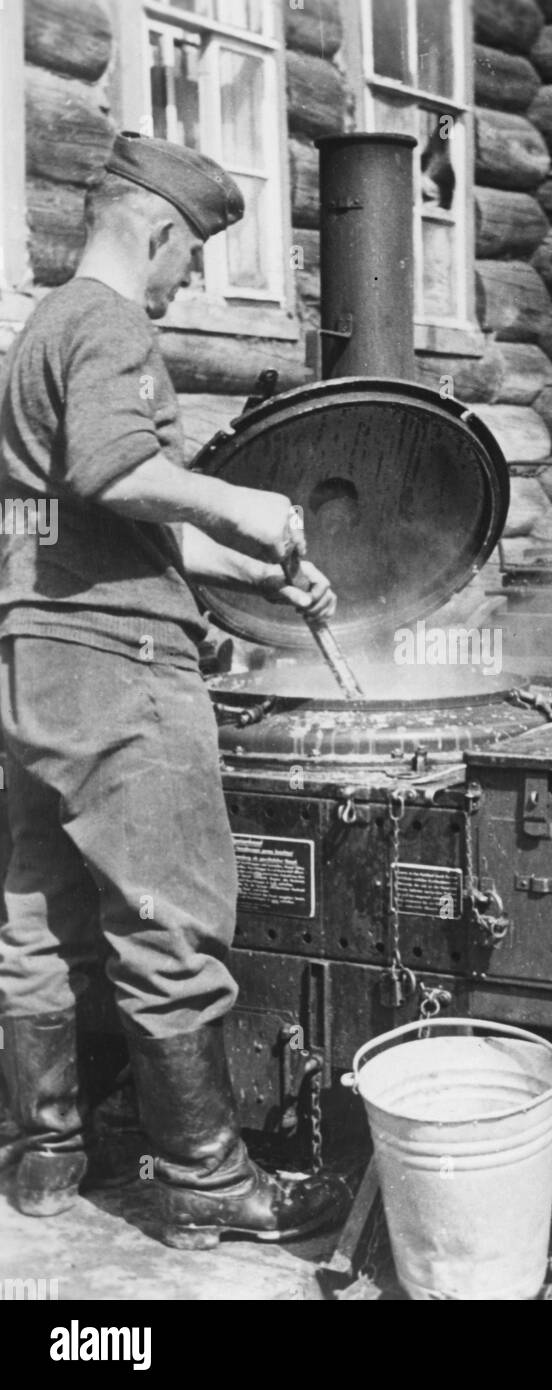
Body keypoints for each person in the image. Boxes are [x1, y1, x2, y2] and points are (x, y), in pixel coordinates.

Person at [0, 131, 349, 1249]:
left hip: (35, 655)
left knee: (40, 917)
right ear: (153, 231)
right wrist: (240, 505)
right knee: (170, 922)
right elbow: (115, 469)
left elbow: (97, 514)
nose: (184, 279)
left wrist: (257, 569)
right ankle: (204, 1176)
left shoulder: (35, 335)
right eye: (187, 258)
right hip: (122, 667)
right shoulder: (110, 324)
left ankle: (46, 1153)